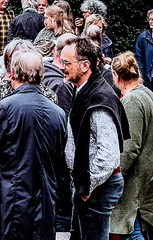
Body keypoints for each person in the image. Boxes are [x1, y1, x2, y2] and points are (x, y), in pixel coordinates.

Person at [0, 48, 69, 240]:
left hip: (10, 199)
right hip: (44, 199)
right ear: (42, 76)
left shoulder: (6, 107)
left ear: (13, 73)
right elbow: (60, 157)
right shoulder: (58, 113)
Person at [59, 37, 127, 240]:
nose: (62, 67)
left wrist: (87, 185)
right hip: (89, 184)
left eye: (67, 63)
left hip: (98, 186)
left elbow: (108, 154)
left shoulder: (99, 97)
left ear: (85, 65)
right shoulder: (83, 91)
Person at [108, 53, 153, 240]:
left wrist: (115, 176)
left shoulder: (132, 100)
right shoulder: (147, 93)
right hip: (149, 176)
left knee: (130, 230)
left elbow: (130, 146)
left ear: (116, 76)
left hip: (135, 181)